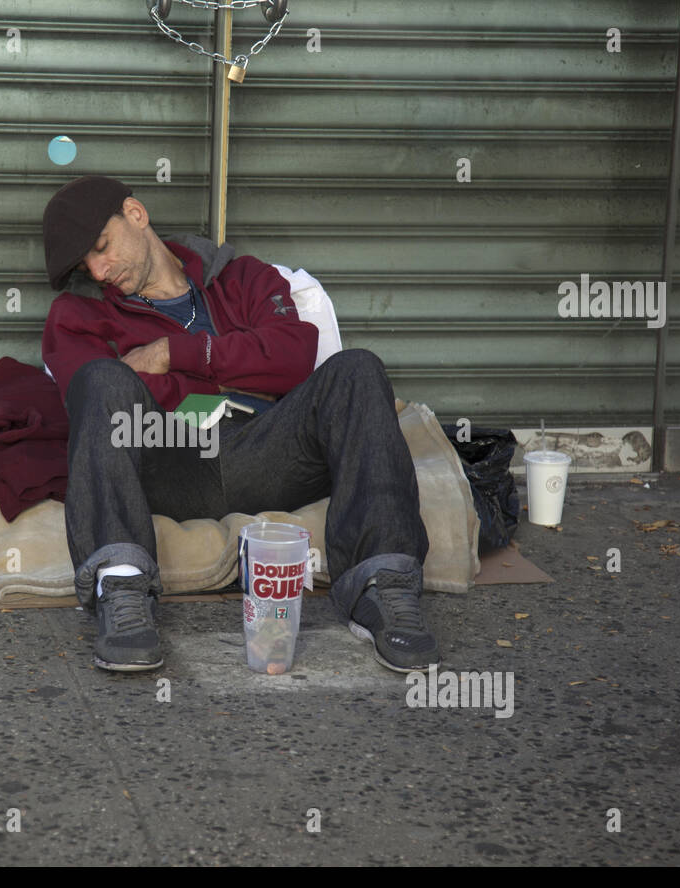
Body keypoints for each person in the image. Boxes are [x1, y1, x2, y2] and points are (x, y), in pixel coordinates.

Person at [41, 175, 437, 673]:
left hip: (269, 454)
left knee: (357, 369)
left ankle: (384, 587)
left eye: (101, 247)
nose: (99, 270)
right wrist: (240, 376)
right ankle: (121, 591)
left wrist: (175, 353)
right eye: (86, 265)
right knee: (103, 380)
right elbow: (98, 402)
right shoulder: (77, 316)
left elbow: (295, 356)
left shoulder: (244, 278)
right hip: (169, 458)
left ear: (136, 214)